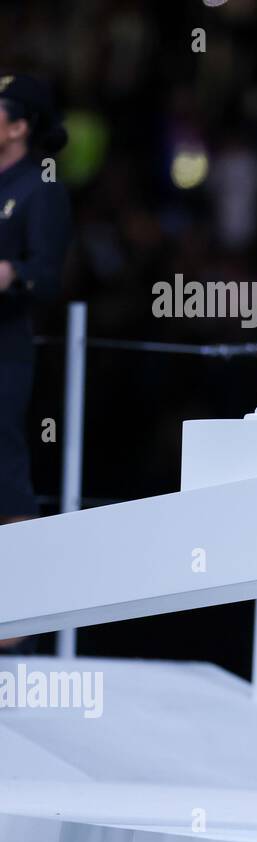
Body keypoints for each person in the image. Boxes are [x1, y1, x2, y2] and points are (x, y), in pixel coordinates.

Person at [0, 73, 71, 655]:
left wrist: (10, 274)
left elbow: (47, 276)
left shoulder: (40, 187)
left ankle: (17, 618)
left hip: (6, 341)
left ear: (19, 126)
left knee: (7, 468)